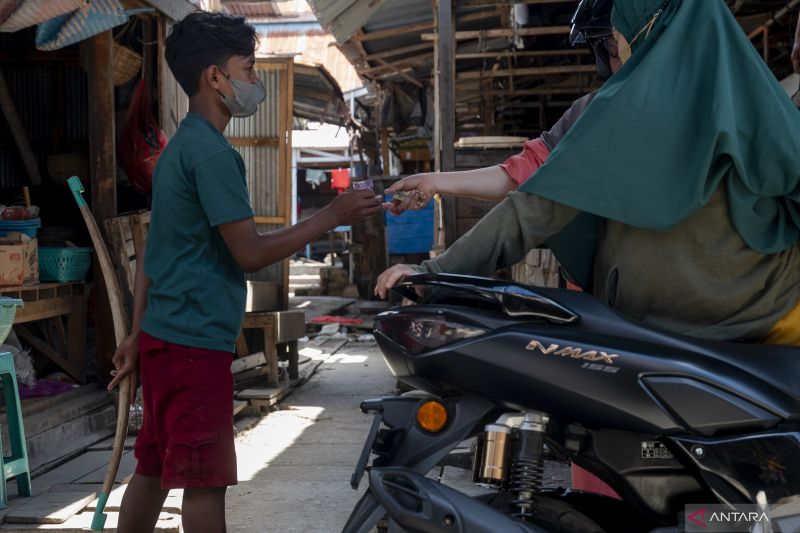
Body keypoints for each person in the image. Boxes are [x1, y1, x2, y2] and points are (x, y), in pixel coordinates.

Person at [377, 0, 800, 347]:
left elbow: (538, 205)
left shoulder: (635, 109)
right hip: (763, 311)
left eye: (616, 43)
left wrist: (436, 274)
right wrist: (434, 184)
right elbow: (528, 176)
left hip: (701, 328)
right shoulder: (756, 97)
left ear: (650, 33)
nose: (611, 59)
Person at [107, 12, 383, 533]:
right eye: (249, 69)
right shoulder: (212, 154)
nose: (255, 81)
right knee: (203, 483)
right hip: (194, 345)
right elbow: (249, 253)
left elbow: (152, 253)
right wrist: (331, 215)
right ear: (215, 77)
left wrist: (139, 332)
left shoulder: (176, 150)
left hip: (167, 339)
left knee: (151, 470)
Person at [386, 0, 619, 216]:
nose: (618, 61)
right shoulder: (592, 111)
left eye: (619, 51)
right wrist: (433, 181)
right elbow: (524, 169)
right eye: (612, 51)